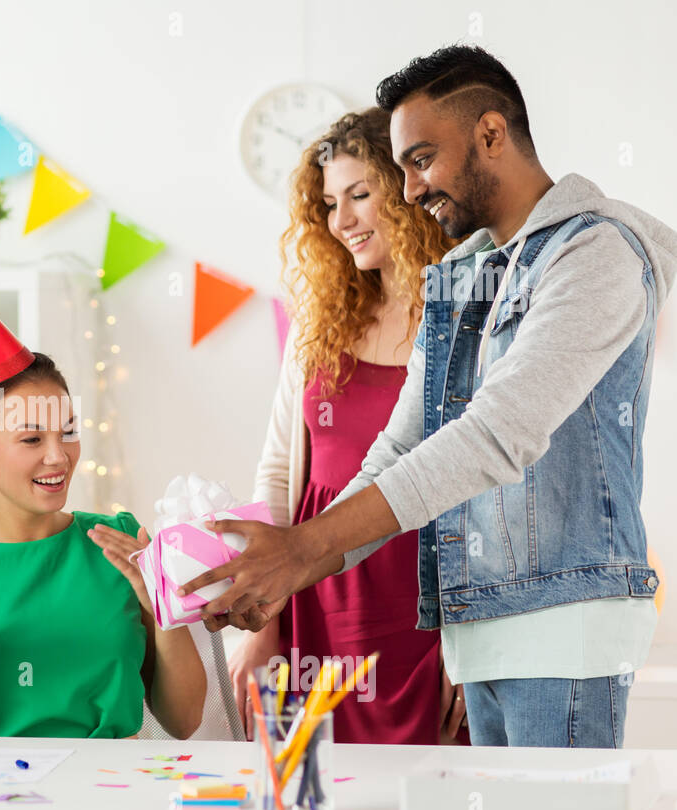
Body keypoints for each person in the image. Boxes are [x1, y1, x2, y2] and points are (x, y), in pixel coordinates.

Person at [184, 45, 674, 749]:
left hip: (564, 631)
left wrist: (306, 547)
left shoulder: (595, 254)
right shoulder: (467, 274)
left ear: (491, 136)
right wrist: (289, 569)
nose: (408, 190)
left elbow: (495, 433)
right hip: (483, 631)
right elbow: (400, 445)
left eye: (420, 160)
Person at [229, 108, 464, 746]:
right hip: (318, 595)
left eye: (361, 194)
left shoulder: (463, 315)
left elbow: (489, 485)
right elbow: (278, 471)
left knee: (432, 792)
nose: (343, 221)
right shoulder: (319, 320)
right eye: (331, 203)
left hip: (425, 601)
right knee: (316, 795)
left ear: (408, 191)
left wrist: (473, 640)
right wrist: (265, 624)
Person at [0, 281, 206, 738]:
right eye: (32, 439)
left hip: (112, 795)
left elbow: (185, 720)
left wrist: (164, 608)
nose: (59, 457)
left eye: (68, 432)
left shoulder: (122, 543)